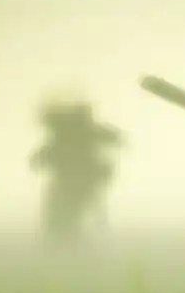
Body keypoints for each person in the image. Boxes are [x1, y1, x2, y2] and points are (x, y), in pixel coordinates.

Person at [30, 102, 122, 246]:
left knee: (71, 212)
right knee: (67, 213)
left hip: (78, 183)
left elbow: (41, 158)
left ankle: (70, 241)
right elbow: (114, 138)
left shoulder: (74, 135)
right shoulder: (77, 135)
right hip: (75, 183)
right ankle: (68, 240)